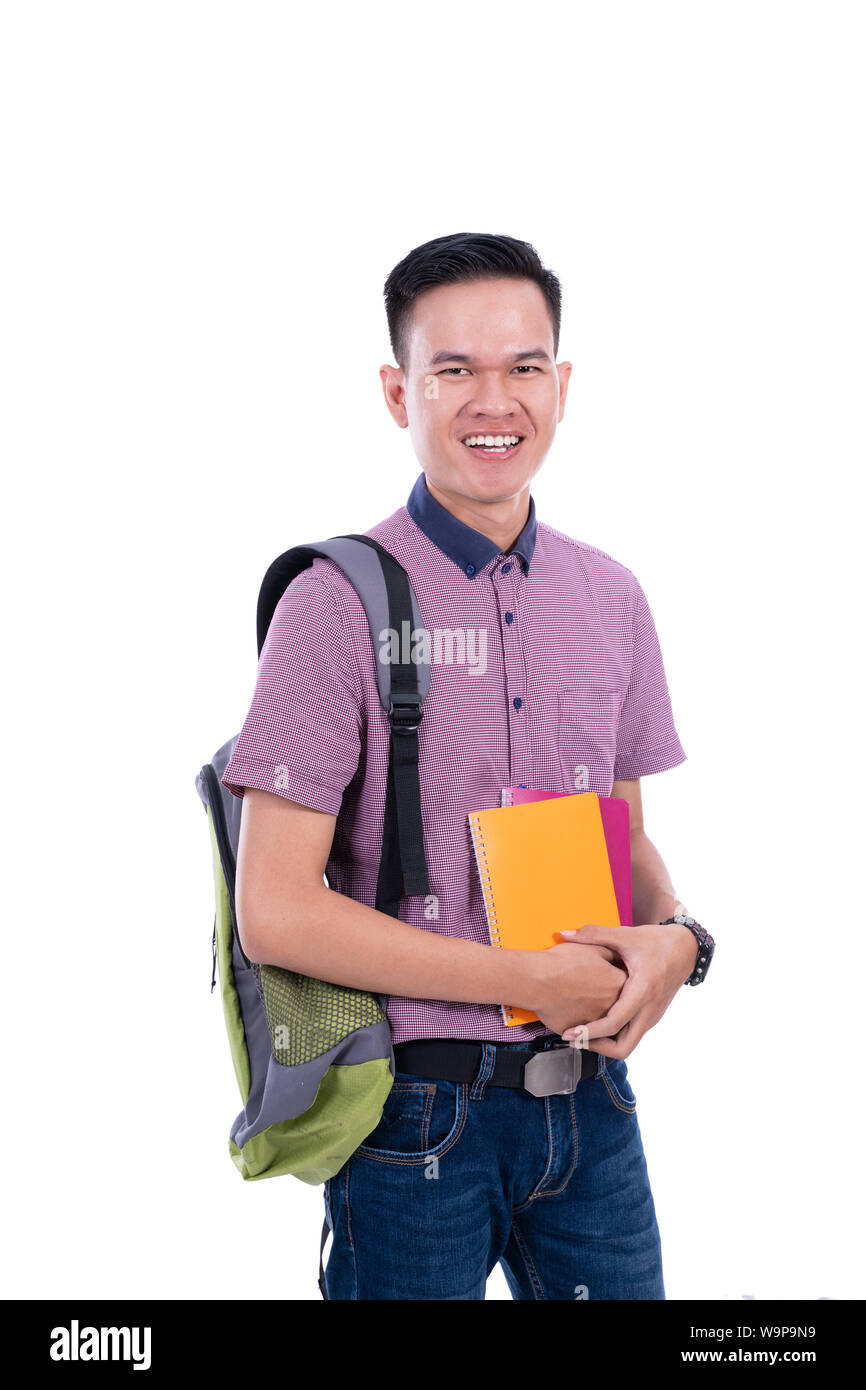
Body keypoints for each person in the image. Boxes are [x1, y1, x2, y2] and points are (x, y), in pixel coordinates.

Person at [221, 232, 712, 1301]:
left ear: (561, 384)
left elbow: (621, 840)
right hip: (414, 1121)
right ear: (398, 392)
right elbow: (275, 910)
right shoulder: (332, 604)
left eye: (523, 367)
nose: (495, 400)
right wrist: (521, 980)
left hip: (594, 1110)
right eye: (453, 371)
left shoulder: (612, 597)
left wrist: (676, 938)